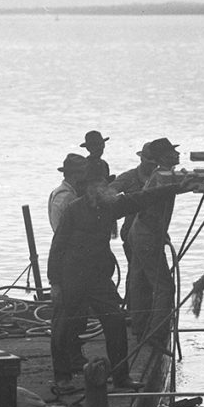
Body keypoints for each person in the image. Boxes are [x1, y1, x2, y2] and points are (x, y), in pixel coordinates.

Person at [47, 154, 130, 391]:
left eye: (106, 183)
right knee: (63, 327)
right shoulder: (71, 207)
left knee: (115, 321)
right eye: (101, 184)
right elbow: (57, 246)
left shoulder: (109, 206)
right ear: (90, 186)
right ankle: (62, 378)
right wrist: (55, 282)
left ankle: (121, 376)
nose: (105, 188)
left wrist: (178, 188)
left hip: (98, 278)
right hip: (71, 276)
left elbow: (141, 199)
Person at [118, 137, 182, 348]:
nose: (177, 154)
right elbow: (160, 201)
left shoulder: (160, 174)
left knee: (139, 281)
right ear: (162, 157)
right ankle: (155, 334)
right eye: (172, 152)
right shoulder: (163, 176)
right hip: (147, 235)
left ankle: (139, 326)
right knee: (165, 287)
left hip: (140, 231)